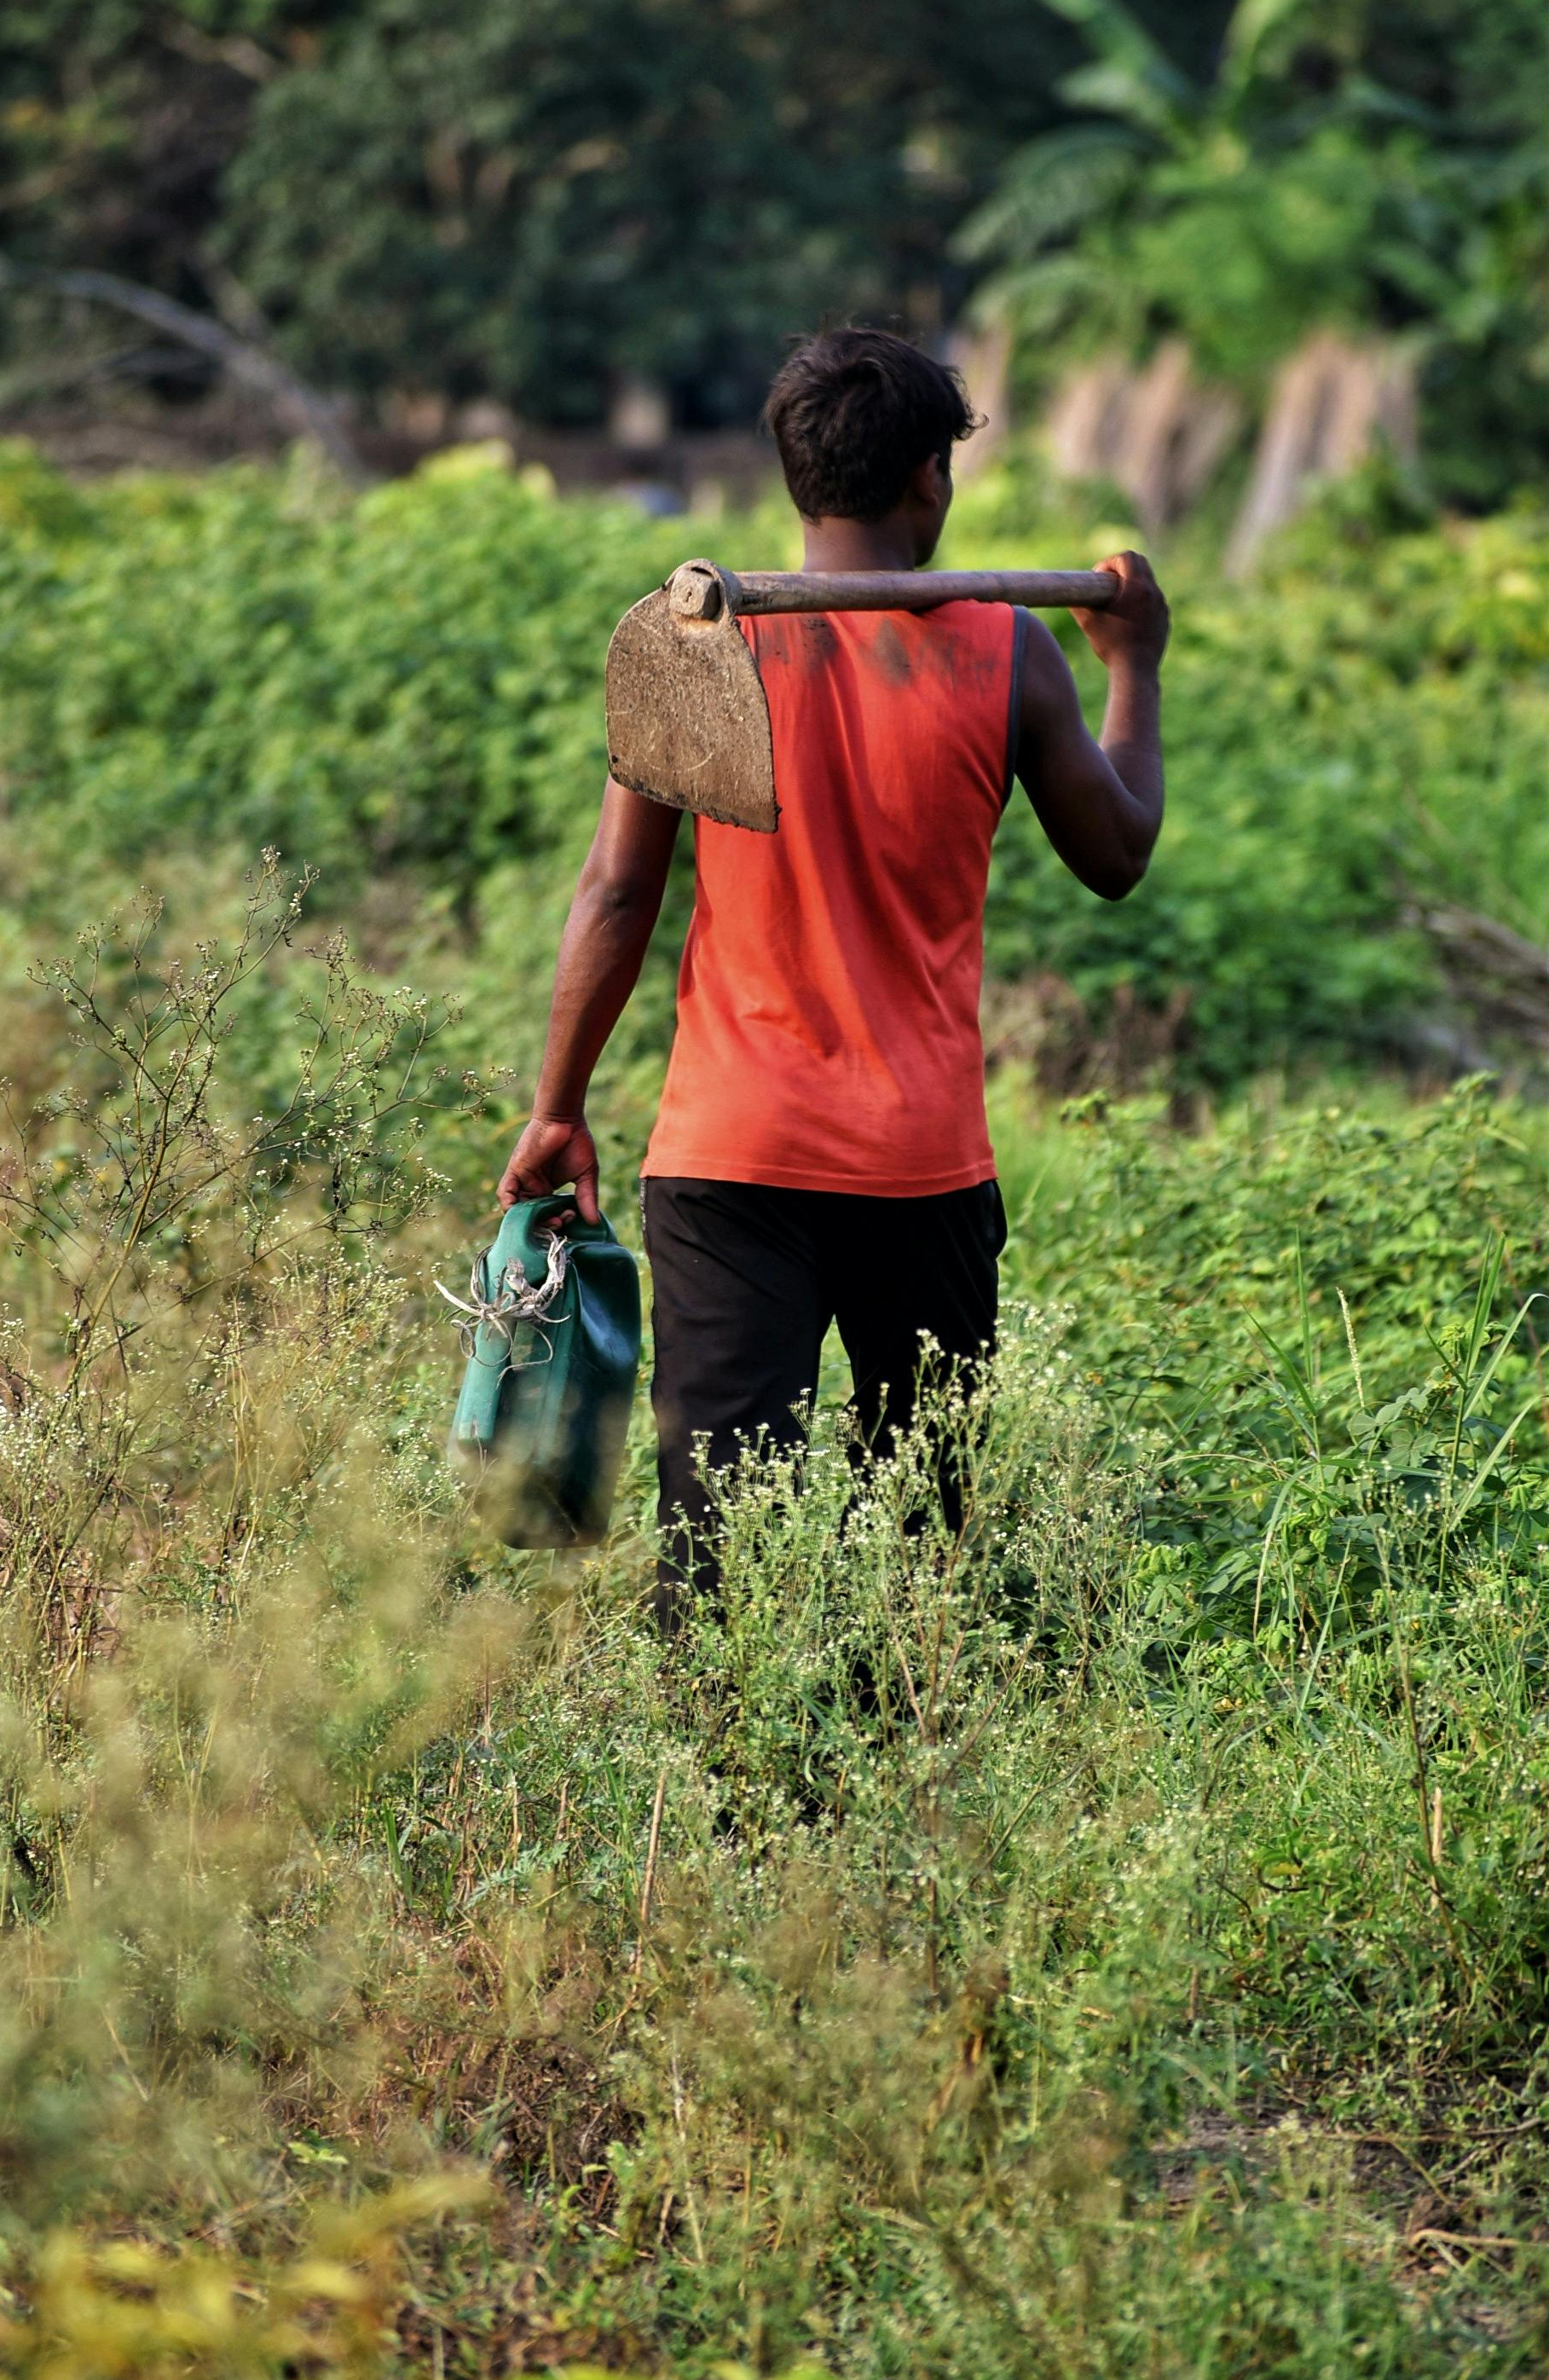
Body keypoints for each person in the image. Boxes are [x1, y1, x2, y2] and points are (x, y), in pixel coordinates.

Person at [497, 325, 1168, 1620]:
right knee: (922, 1542)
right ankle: (884, 1782)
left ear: (798, 476)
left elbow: (619, 891)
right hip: (920, 1169)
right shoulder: (1011, 653)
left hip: (729, 1158)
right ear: (930, 475)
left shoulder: (695, 641)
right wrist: (1134, 666)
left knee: (722, 1538)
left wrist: (558, 1107)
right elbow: (1119, 852)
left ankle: (722, 1816)